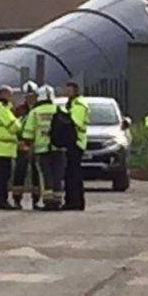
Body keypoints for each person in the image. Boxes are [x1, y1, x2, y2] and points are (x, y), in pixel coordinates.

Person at [23, 85, 65, 210]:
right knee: (57, 174)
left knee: (45, 175)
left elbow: (28, 133)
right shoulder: (59, 110)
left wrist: (28, 145)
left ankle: (48, 201)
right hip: (58, 149)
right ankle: (58, 200)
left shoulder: (35, 112)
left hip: (42, 150)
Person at [11, 81, 41, 210]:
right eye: (28, 96)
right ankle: (17, 199)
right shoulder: (19, 110)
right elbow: (13, 126)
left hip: (37, 144)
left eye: (33, 95)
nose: (30, 98)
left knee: (36, 173)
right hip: (23, 144)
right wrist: (18, 142)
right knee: (20, 172)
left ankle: (36, 200)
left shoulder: (39, 109)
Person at [63, 81, 89, 211]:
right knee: (72, 173)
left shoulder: (78, 104)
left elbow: (74, 122)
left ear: (75, 91)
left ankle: (74, 202)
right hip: (73, 142)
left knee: (73, 174)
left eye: (69, 90)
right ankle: (73, 201)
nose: (66, 92)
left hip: (76, 142)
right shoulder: (72, 103)